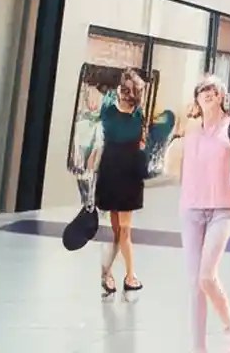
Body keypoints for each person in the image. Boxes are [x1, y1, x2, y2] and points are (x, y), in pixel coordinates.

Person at [172, 75, 230, 353]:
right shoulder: (191, 128)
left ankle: (229, 326)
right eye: (202, 90)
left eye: (213, 90)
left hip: (222, 207)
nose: (207, 93)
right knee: (194, 284)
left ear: (222, 96)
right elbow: (170, 159)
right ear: (196, 98)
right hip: (191, 209)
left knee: (207, 276)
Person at [90, 68, 148, 301]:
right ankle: (115, 274)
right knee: (117, 230)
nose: (125, 94)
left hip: (129, 173)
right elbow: (99, 140)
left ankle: (125, 274)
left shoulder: (138, 115)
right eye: (123, 90)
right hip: (111, 171)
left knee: (123, 229)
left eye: (129, 91)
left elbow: (142, 143)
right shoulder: (108, 109)